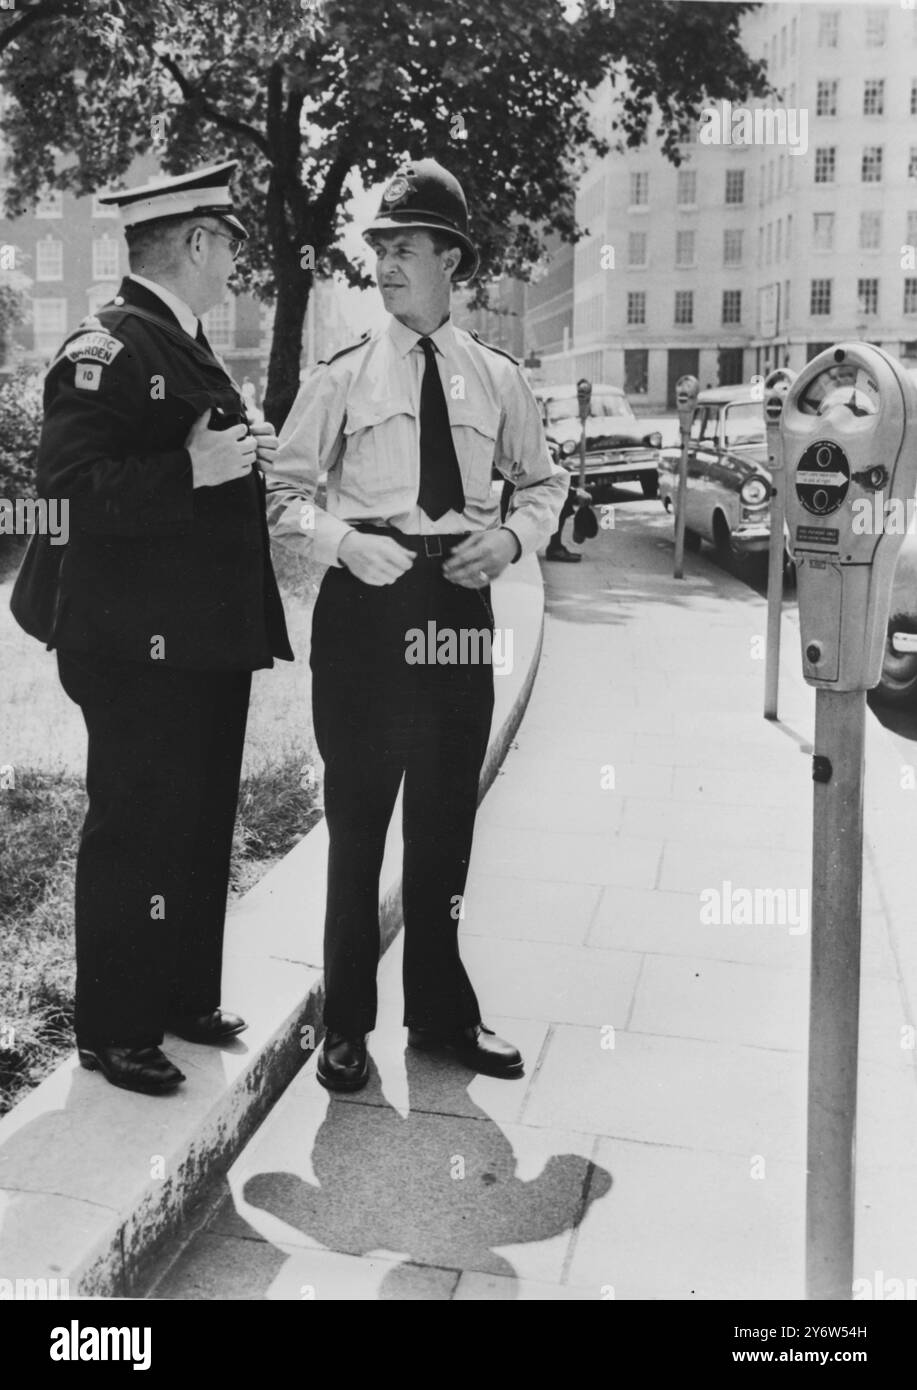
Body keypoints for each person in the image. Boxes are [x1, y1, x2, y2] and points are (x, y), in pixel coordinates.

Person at [263, 157, 568, 1092]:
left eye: (405, 247)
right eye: (381, 248)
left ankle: (439, 1013)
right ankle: (345, 1021)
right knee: (358, 821)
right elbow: (280, 495)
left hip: (456, 608)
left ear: (452, 260)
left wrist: (512, 541)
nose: (386, 263)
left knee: (444, 823)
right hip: (368, 605)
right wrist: (343, 542)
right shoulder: (342, 375)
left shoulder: (497, 378)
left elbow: (547, 482)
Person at [10, 162, 293, 1096]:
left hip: (200, 643)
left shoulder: (181, 342)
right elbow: (61, 497)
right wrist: (195, 472)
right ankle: (116, 1028)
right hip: (134, 648)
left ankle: (179, 995)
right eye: (231, 248)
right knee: (139, 828)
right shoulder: (110, 347)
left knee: (200, 821)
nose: (238, 268)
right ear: (197, 244)